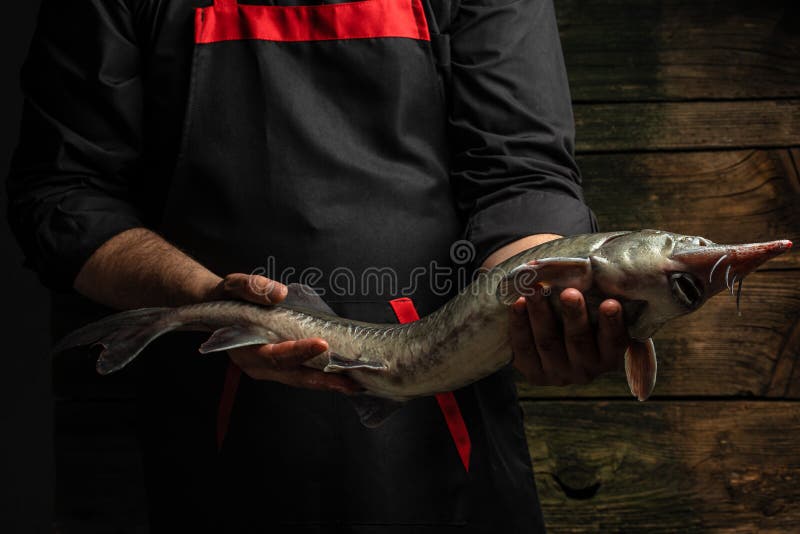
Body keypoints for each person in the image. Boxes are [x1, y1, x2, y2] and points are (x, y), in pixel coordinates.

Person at [7, 0, 629, 531]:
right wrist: (207, 299)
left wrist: (539, 299)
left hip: (443, 439)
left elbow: (521, 174)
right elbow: (64, 195)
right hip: (217, 429)